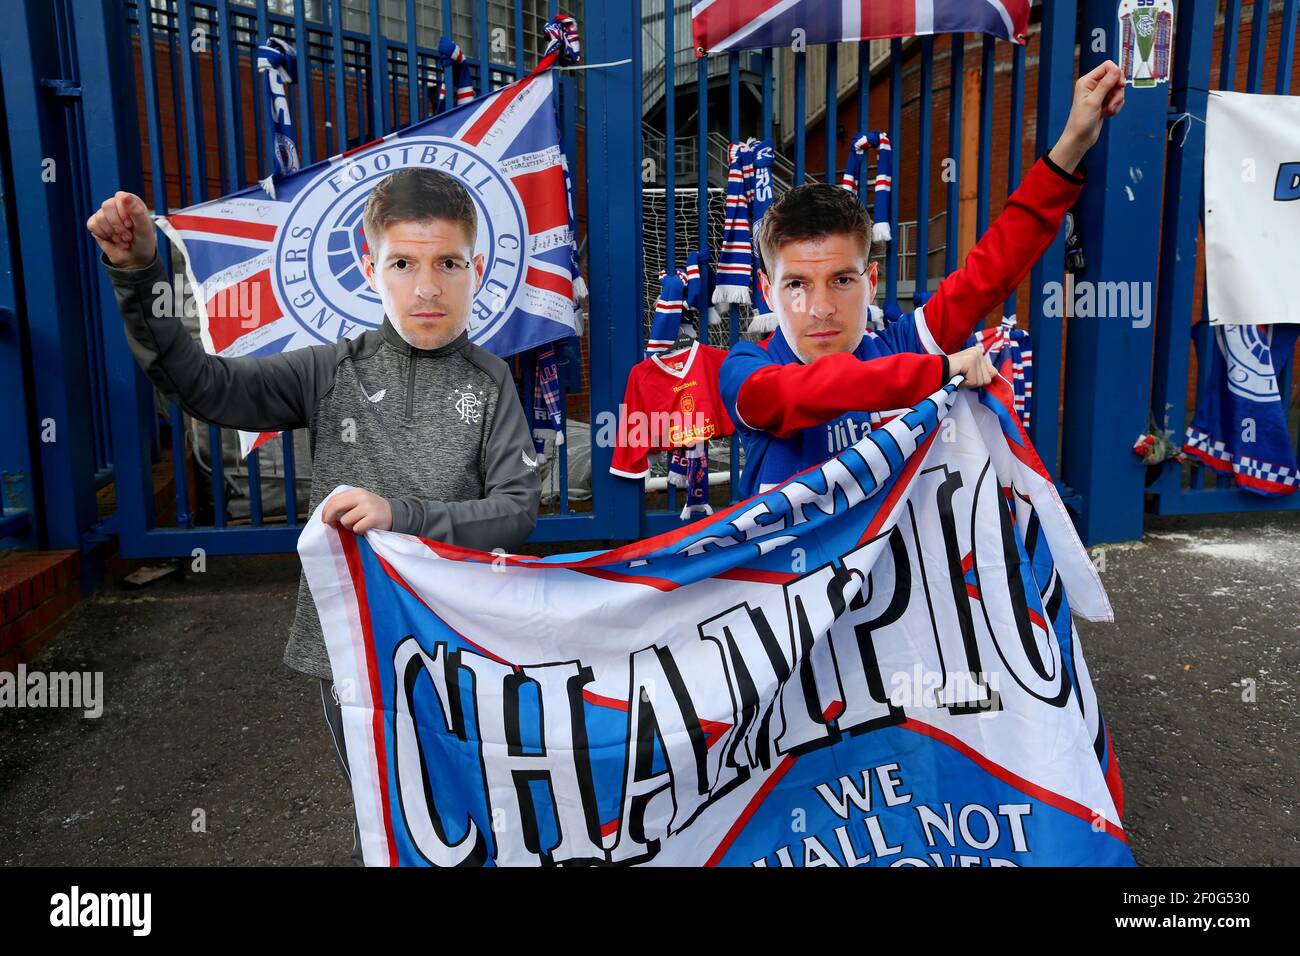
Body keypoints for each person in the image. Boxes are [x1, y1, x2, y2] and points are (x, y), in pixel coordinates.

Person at [86, 167, 542, 864]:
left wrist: (400, 514)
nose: (427, 287)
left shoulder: (492, 379)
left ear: (476, 268)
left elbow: (516, 512)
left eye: (448, 263)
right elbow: (203, 386)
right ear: (370, 266)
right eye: (403, 263)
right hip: (353, 652)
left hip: (468, 646)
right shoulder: (331, 370)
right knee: (389, 812)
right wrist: (143, 275)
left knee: (480, 806)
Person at [720, 60, 1127, 497]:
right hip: (791, 569)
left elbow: (991, 270)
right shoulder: (745, 368)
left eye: (841, 280)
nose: (820, 307)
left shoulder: (901, 346)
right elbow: (798, 393)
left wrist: (1071, 145)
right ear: (767, 291)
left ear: (872, 282)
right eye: (797, 284)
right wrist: (939, 370)